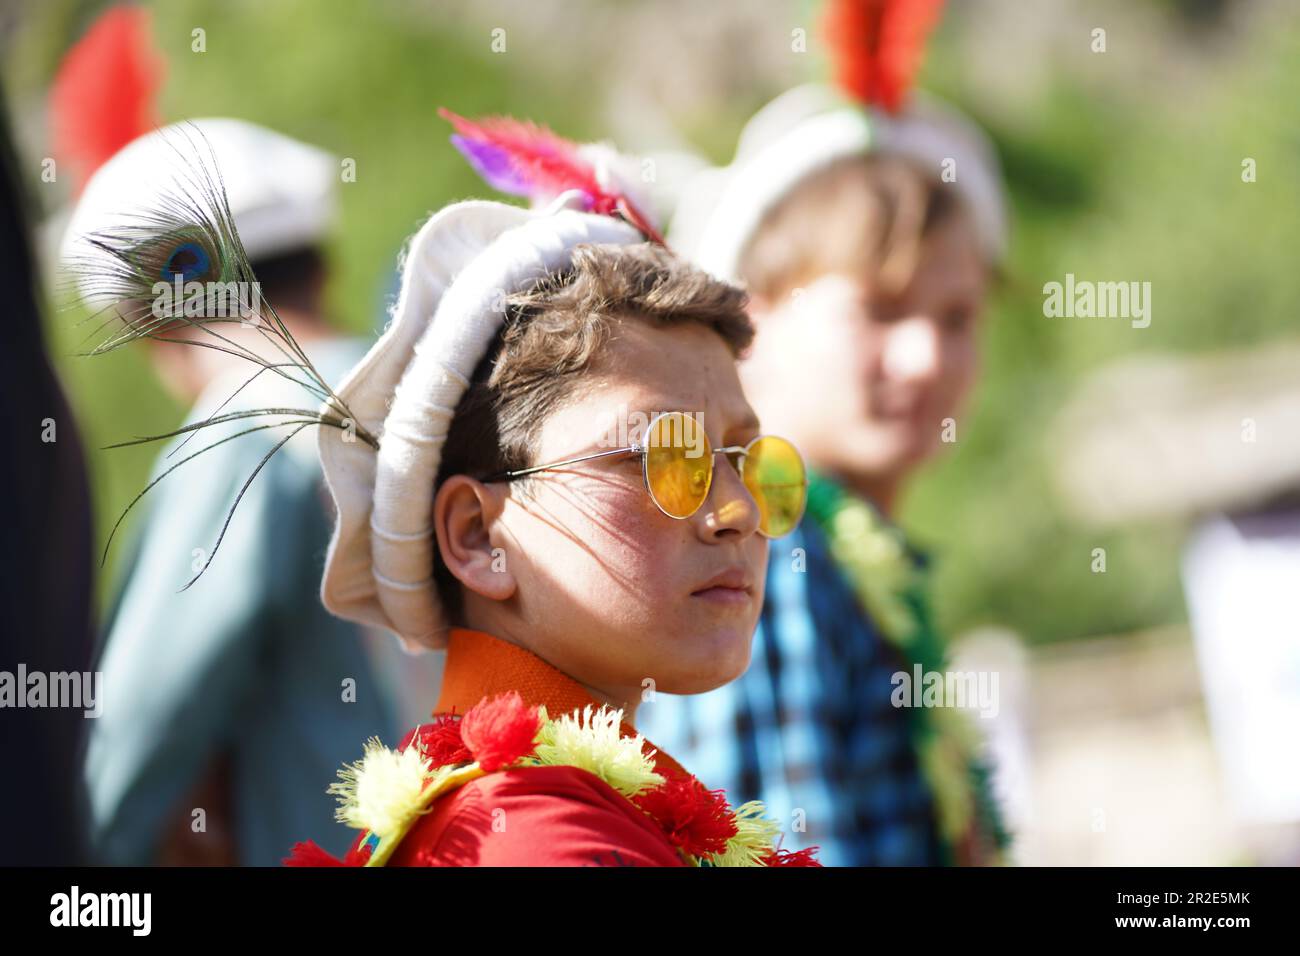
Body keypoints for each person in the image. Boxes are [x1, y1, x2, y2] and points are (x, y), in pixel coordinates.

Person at [70, 110, 818, 867]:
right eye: (663, 455)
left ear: (158, 326)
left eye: (750, 461)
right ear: (474, 534)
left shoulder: (254, 421)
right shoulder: (540, 847)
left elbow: (132, 742)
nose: (739, 511)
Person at [638, 1, 1010, 865]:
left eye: (956, 316)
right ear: (751, 324)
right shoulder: (771, 554)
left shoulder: (845, 555)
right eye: (878, 310)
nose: (925, 357)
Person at [65, 118, 432, 866]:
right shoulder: (436, 399)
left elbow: (141, 727)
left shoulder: (240, 434)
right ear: (320, 269)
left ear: (153, 322)